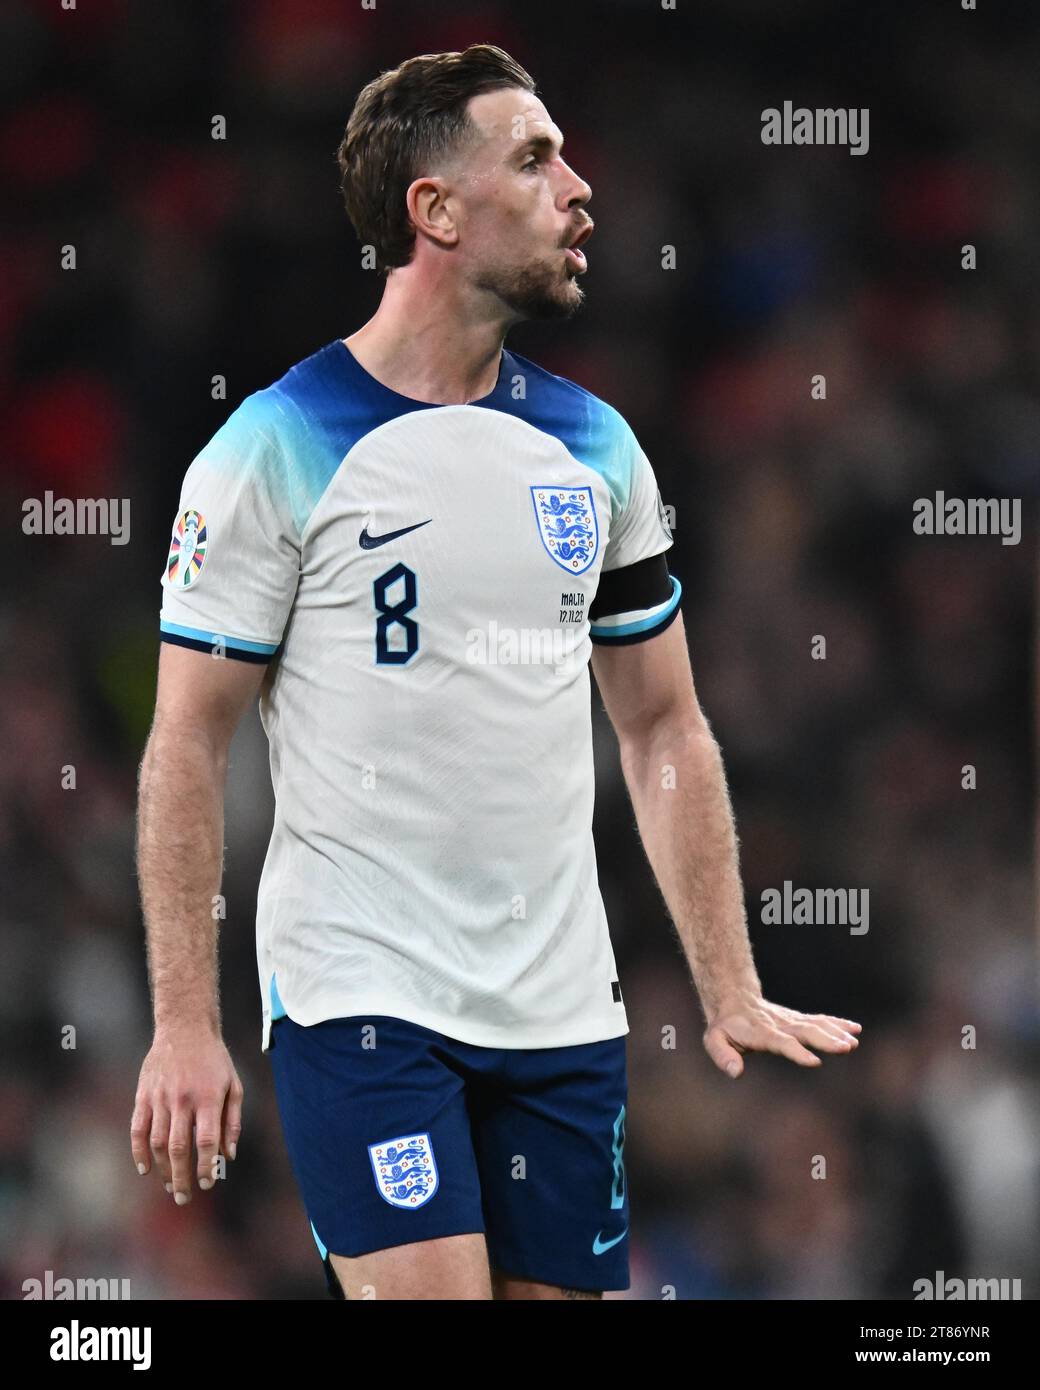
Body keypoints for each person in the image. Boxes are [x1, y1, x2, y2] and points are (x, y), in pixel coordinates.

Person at [131, 44, 861, 1302]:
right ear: (435, 210)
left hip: (561, 1012)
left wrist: (726, 978)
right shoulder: (273, 447)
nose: (579, 188)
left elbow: (664, 727)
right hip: (359, 994)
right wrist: (187, 1022)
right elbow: (187, 741)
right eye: (534, 158)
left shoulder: (595, 448)